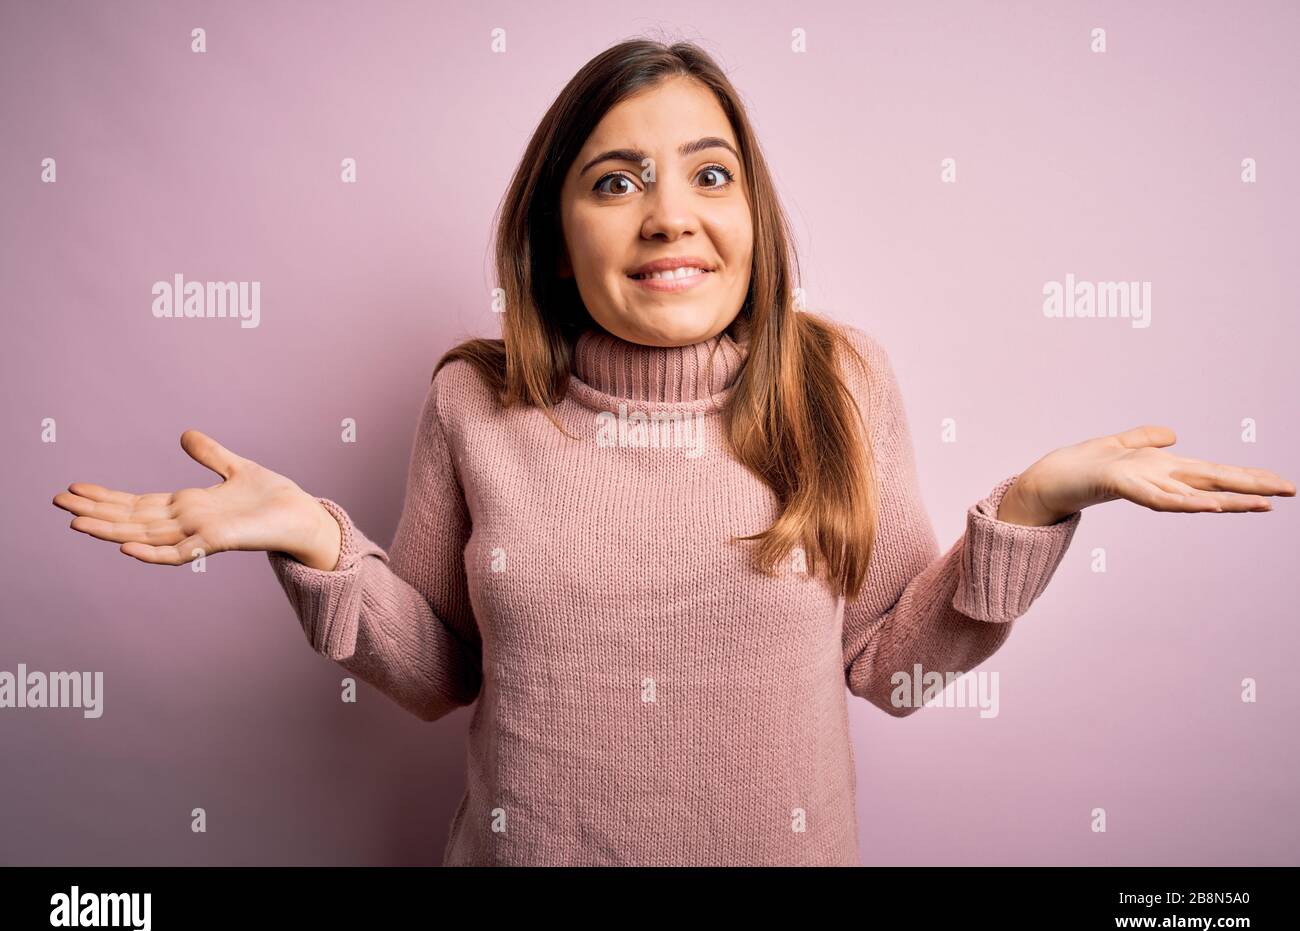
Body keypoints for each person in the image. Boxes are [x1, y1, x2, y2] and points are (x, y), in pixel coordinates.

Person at [53, 39, 1294, 866]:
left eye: (710, 172)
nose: (670, 214)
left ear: (750, 215)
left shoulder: (837, 381)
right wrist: (320, 543)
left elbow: (890, 667)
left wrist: (1029, 508)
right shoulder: (474, 403)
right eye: (615, 180)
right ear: (554, 232)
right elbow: (439, 673)